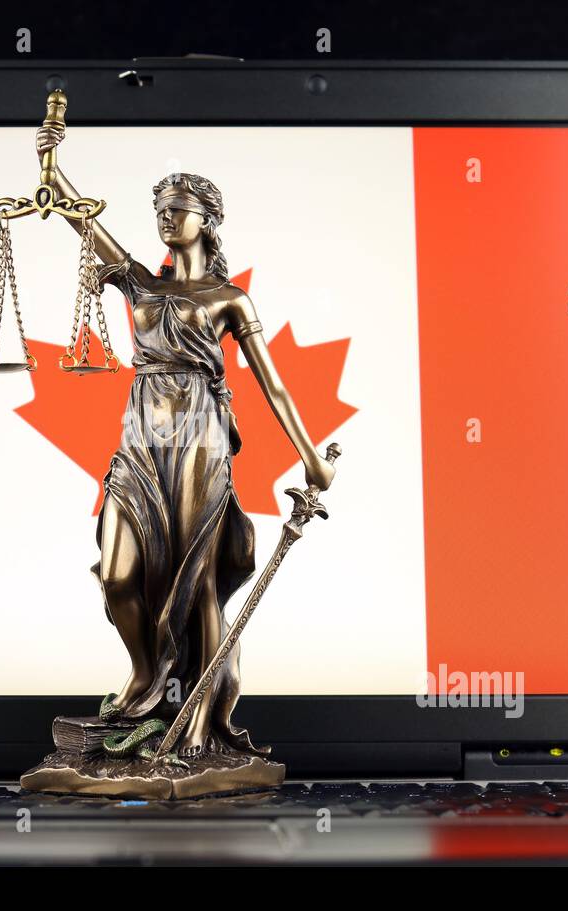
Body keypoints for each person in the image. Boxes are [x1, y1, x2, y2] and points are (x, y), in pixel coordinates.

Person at [38, 125, 335, 757]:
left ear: (208, 219)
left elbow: (274, 385)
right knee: (119, 576)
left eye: (178, 209)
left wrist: (312, 457)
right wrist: (52, 167)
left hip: (200, 438)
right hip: (141, 435)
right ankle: (147, 675)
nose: (166, 218)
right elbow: (83, 225)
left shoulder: (230, 298)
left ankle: (199, 722)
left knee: (197, 579)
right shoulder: (141, 283)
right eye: (160, 211)